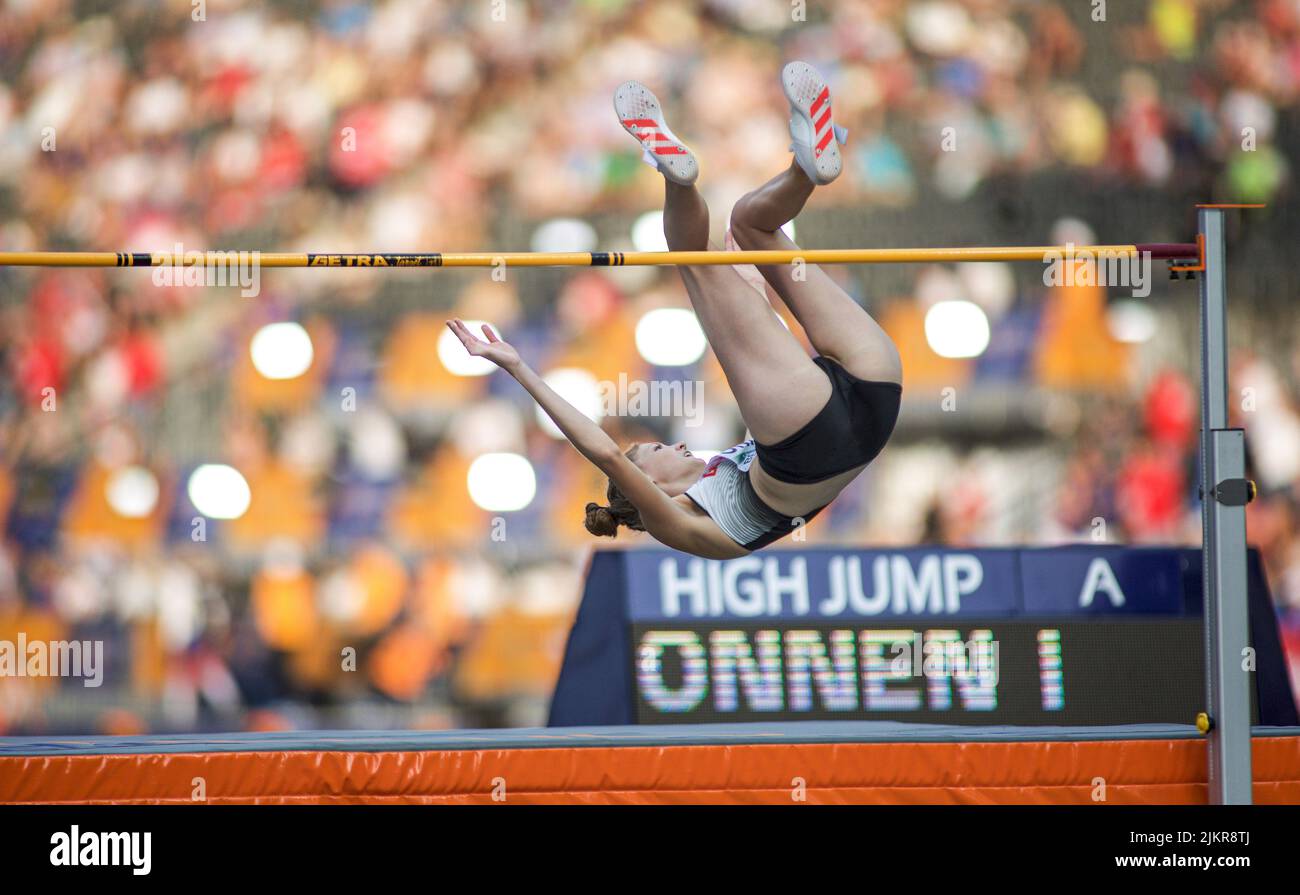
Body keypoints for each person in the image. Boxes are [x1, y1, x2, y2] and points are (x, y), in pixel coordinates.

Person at [448, 61, 902, 558]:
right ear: (649, 488)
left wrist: (744, 279)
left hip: (869, 401)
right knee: (694, 263)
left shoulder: (731, 470)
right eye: (656, 452)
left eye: (657, 446)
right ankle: (675, 179)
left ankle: (805, 168)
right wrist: (518, 368)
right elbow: (602, 450)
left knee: (750, 227)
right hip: (818, 428)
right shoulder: (678, 523)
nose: (674, 446)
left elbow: (765, 338)